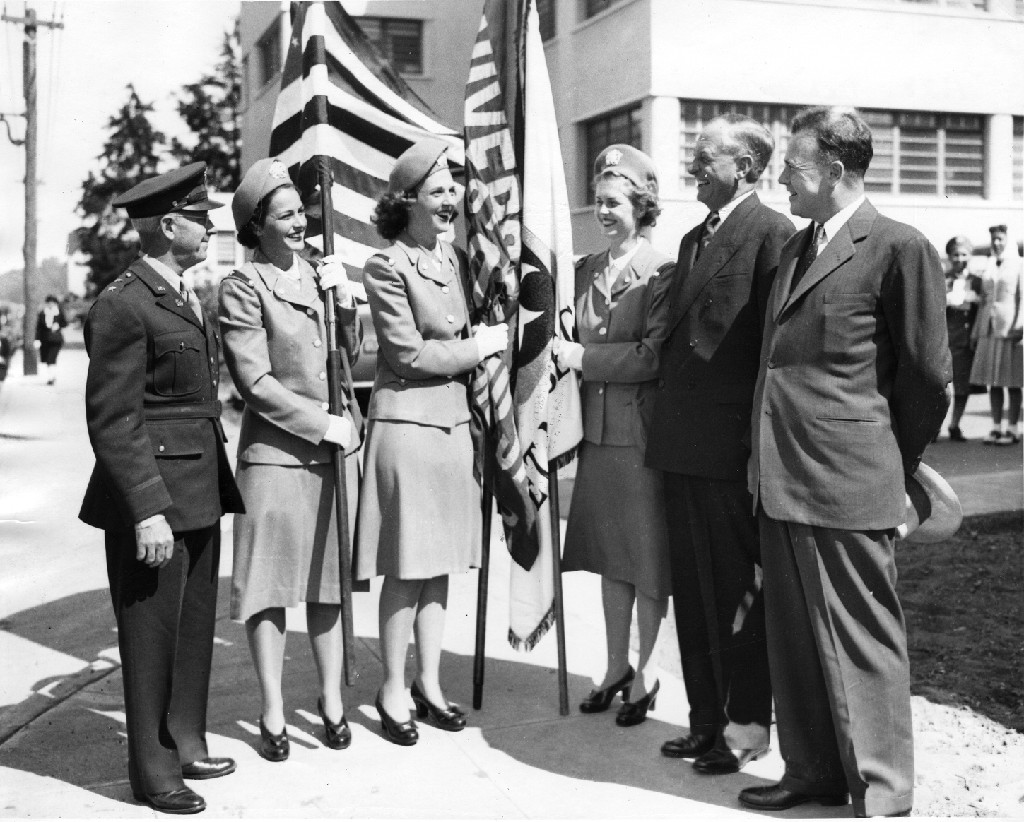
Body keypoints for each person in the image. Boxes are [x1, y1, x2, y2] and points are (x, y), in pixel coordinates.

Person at [741, 106, 950, 817]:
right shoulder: (797, 249)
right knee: (795, 639)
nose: (782, 184)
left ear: (834, 172)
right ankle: (813, 770)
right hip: (782, 477)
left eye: (791, 172)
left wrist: (895, 466)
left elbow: (926, 377)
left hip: (850, 481)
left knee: (863, 644)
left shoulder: (898, 247)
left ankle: (883, 794)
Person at [79, 162, 245, 815]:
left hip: (200, 481)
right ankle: (152, 770)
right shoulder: (122, 302)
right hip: (154, 494)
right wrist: (144, 508)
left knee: (195, 621)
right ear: (168, 224)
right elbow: (113, 419)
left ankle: (186, 738)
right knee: (150, 632)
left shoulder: (180, 292)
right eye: (201, 217)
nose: (211, 226)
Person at [645, 114, 794, 774]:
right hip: (680, 451)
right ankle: (704, 723)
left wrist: (753, 447)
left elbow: (773, 353)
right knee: (693, 597)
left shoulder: (772, 236)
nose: (692, 170)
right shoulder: (689, 240)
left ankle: (742, 733)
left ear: (745, 168)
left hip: (730, 457)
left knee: (736, 598)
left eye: (705, 160)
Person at [355, 138, 508, 746]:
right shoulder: (386, 265)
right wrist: (482, 346)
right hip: (407, 430)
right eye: (438, 191)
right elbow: (408, 354)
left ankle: (429, 682)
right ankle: (393, 687)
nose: (451, 202)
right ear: (408, 200)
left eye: (453, 191)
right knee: (406, 565)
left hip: (452, 430)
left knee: (440, 564)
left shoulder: (455, 261)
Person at [218, 158, 362, 761]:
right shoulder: (243, 286)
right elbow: (253, 380)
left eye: (301, 211)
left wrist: (345, 304)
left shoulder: (317, 277)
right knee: (270, 589)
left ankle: (331, 702)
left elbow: (348, 360)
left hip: (327, 459)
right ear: (258, 224)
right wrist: (320, 422)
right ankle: (274, 707)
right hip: (275, 456)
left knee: (329, 587)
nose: (300, 222)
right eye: (286, 214)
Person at [555, 145, 673, 727]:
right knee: (609, 559)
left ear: (642, 205)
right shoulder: (582, 271)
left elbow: (653, 356)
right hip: (598, 437)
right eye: (598, 201)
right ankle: (613, 667)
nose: (603, 211)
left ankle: (647, 672)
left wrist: (581, 356)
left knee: (647, 560)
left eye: (614, 202)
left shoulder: (662, 272)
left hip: (642, 439)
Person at [970, 224, 1023, 445]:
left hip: (1010, 328)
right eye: (994, 239)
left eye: (1000, 239)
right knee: (993, 381)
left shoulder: (1020, 264)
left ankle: (1012, 429)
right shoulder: (990, 265)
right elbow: (984, 301)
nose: (996, 243)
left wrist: (1020, 325)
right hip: (988, 328)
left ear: (1008, 240)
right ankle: (995, 427)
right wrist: (975, 331)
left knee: (1012, 381)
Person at [944, 235, 982, 441]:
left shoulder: (977, 281)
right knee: (940, 387)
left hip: (966, 338)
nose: (960, 258)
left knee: (962, 385)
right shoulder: (943, 278)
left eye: (964, 254)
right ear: (949, 256)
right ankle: (934, 428)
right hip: (946, 336)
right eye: (956, 254)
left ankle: (955, 424)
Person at [35, 294, 67, 385]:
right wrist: (36, 339)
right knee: (47, 359)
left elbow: (65, 323)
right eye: (49, 303)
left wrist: (58, 325)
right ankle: (52, 376)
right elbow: (38, 327)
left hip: (56, 340)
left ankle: (51, 378)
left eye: (52, 303)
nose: (50, 304)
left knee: (51, 358)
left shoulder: (59, 312)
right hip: (45, 339)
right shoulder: (42, 313)